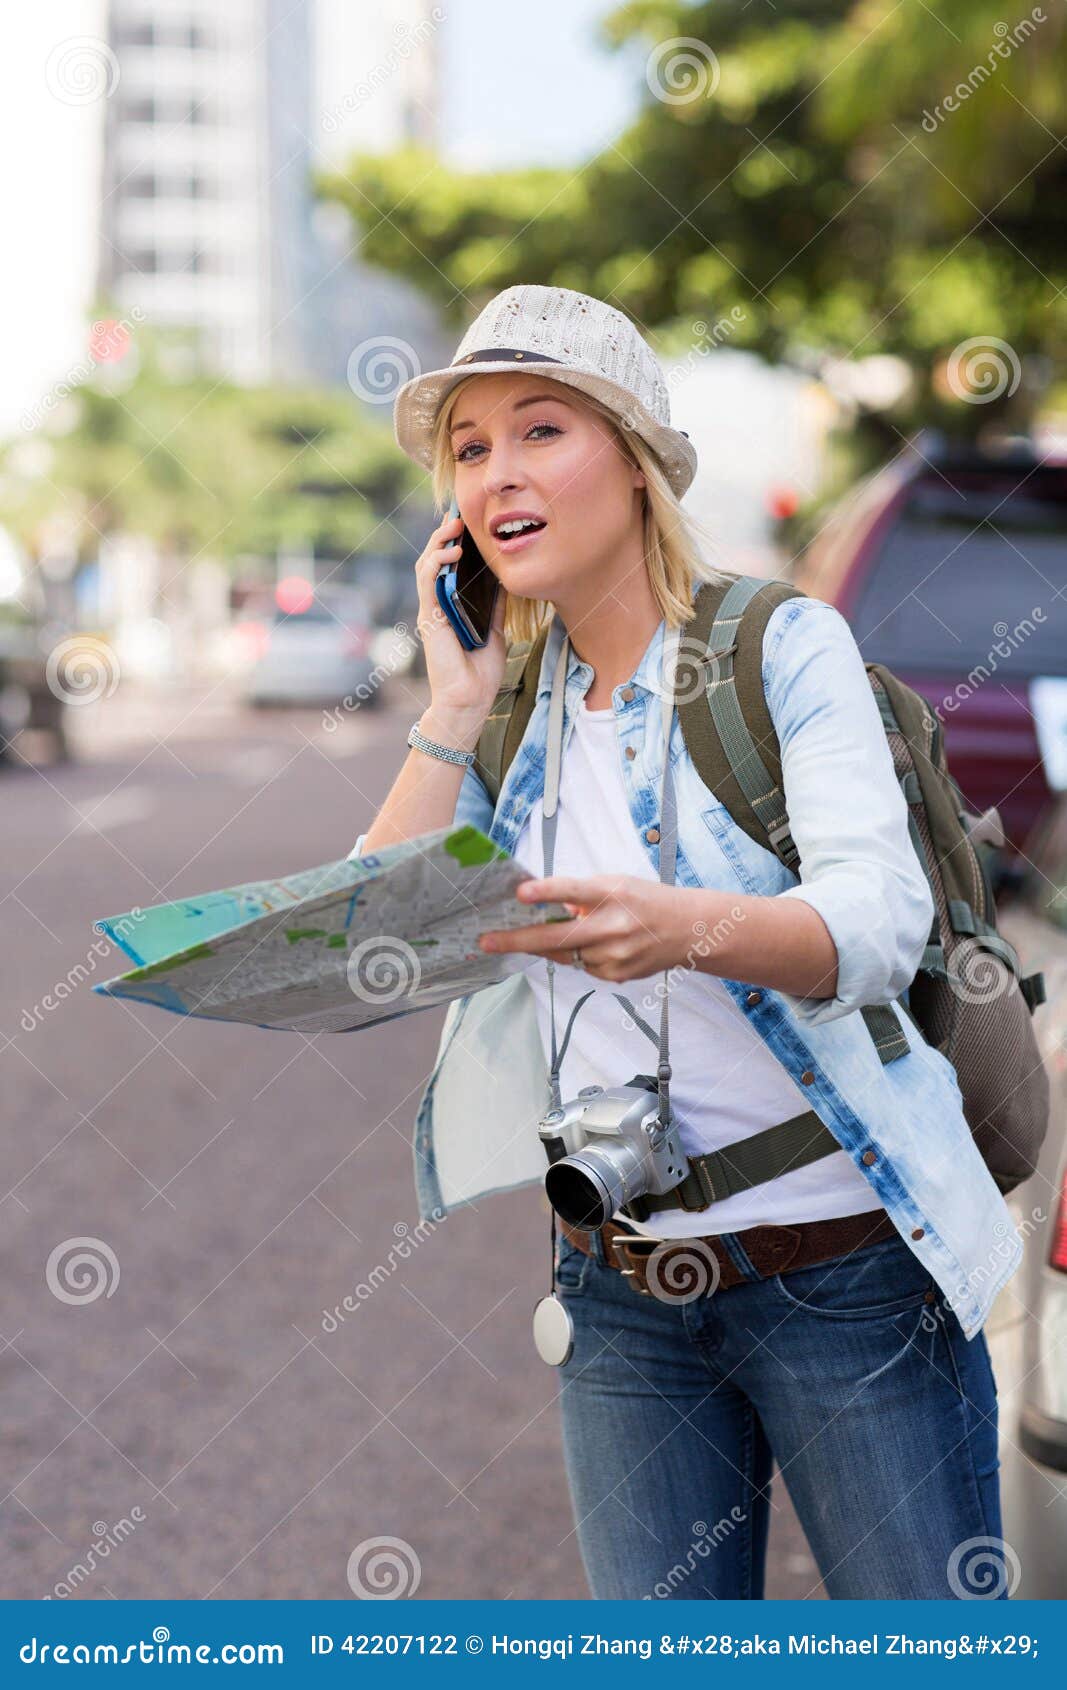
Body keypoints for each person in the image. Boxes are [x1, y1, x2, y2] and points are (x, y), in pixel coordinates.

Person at [351, 284, 1018, 1601]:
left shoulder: (780, 645)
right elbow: (385, 938)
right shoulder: (510, 708)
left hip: (847, 1277)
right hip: (618, 1292)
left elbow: (875, 928)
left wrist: (682, 929)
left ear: (639, 456)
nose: (497, 474)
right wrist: (452, 698)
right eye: (469, 449)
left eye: (539, 429)